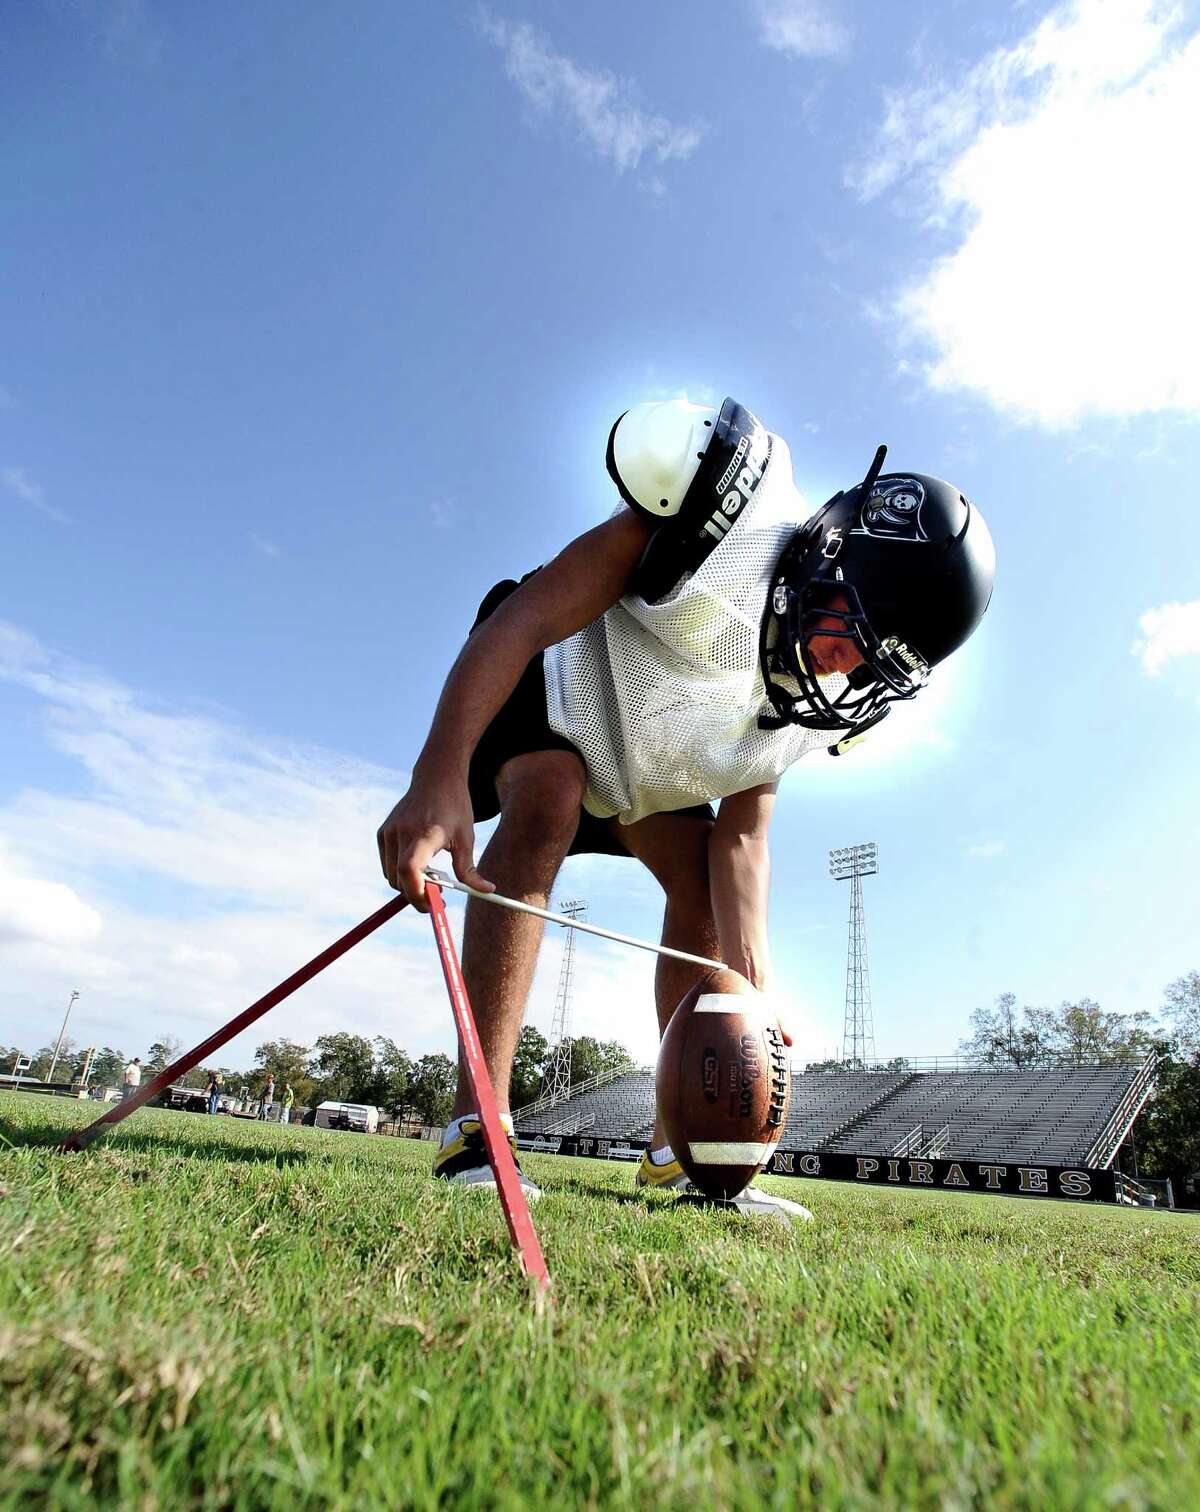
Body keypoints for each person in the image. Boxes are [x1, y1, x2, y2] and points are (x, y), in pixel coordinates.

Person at [377, 396, 995, 1203]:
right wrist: (440, 774)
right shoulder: (733, 521)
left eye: (868, 664)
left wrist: (754, 995)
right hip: (559, 682)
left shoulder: (819, 699)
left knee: (703, 885)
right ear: (830, 551)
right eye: (851, 622)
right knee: (551, 796)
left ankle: (686, 1152)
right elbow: (524, 618)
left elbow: (743, 839)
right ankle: (478, 1128)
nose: (841, 662)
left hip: (650, 767)